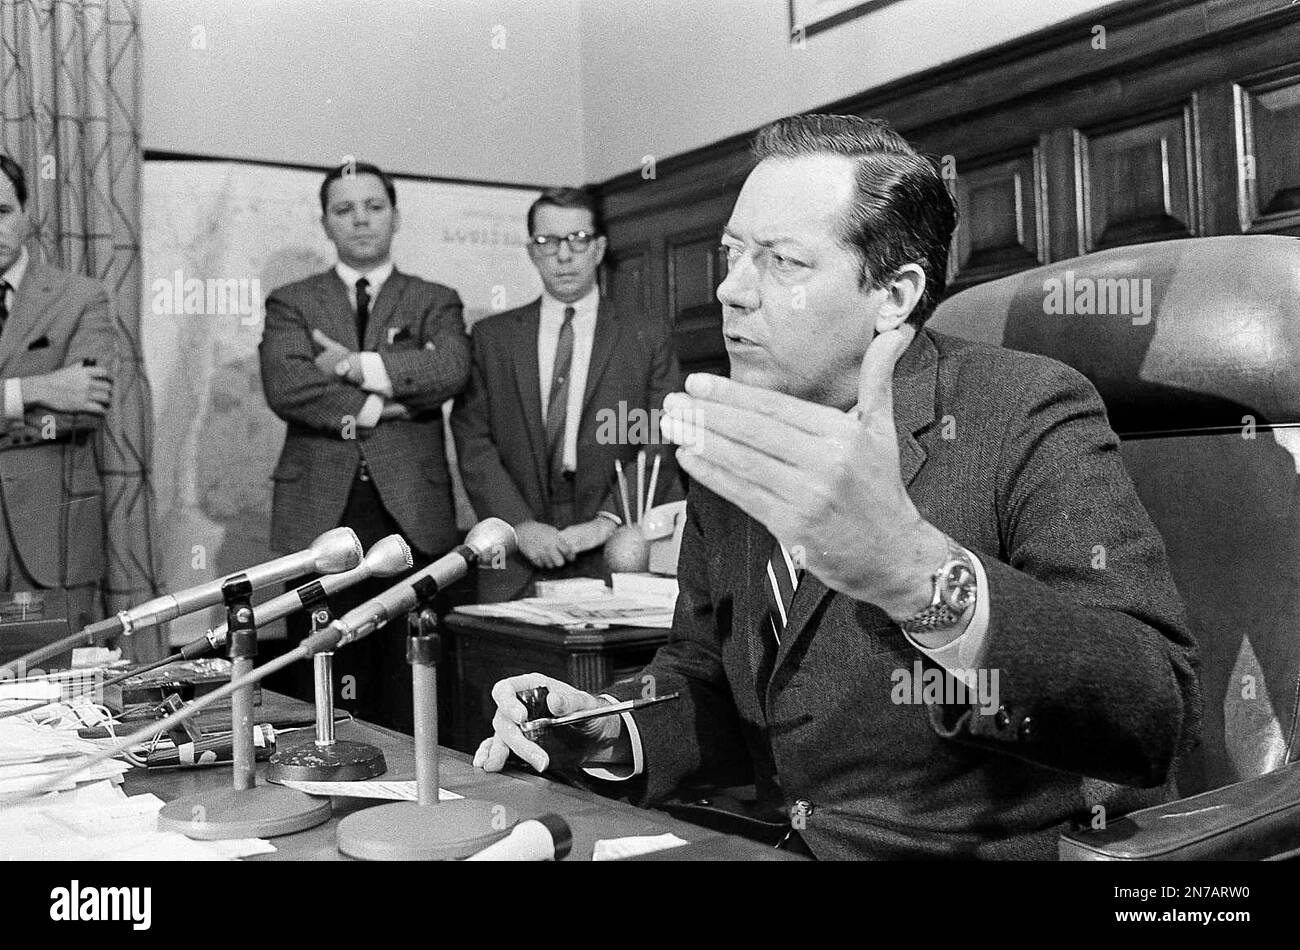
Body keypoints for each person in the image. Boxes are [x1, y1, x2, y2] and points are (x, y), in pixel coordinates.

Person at [472, 115, 1202, 860]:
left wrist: (923, 580)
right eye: (730, 255)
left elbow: (1154, 709)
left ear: (893, 293)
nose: (730, 290)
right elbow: (706, 676)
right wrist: (612, 728)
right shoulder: (737, 438)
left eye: (781, 261)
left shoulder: (1022, 410)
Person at [258, 160, 470, 732]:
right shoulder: (291, 302)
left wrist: (351, 366)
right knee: (323, 669)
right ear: (325, 223)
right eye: (344, 210)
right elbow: (290, 387)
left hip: (411, 512)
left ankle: (417, 803)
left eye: (374, 207)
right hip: (320, 510)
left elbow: (448, 370)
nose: (361, 221)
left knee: (411, 677)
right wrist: (387, 401)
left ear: (396, 216)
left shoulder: (435, 299)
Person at [451, 187, 681, 602]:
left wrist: (608, 520)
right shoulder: (492, 338)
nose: (563, 255)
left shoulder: (646, 333)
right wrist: (518, 525)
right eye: (547, 242)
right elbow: (473, 439)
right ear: (531, 251)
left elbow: (659, 435)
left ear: (598, 248)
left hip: (618, 544)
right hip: (517, 552)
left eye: (577, 240)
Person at [0, 155, 116, 633]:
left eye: (2, 211)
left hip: (50, 540)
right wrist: (38, 388)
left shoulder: (80, 298)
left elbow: (83, 413)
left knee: (54, 693)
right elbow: (58, 404)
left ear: (26, 214)